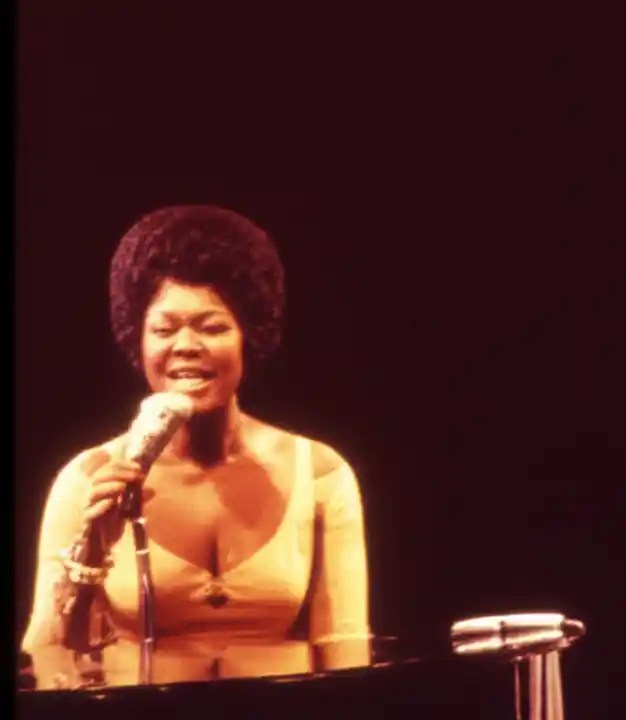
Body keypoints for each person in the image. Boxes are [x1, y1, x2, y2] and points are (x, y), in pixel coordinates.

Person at [21, 205, 371, 685]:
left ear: (249, 336)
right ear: (137, 341)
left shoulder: (320, 474)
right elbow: (48, 657)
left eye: (212, 327)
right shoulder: (86, 478)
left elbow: (348, 656)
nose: (185, 345)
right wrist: (89, 556)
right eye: (164, 329)